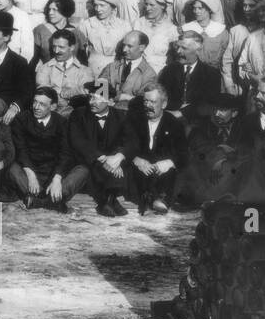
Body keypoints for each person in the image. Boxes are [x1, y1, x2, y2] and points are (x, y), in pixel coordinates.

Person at [63, 79, 137, 217]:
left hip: (113, 164)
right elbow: (78, 142)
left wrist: (118, 157)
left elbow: (131, 141)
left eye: (98, 98)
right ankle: (108, 200)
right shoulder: (78, 115)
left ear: (109, 101)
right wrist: (104, 158)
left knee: (125, 163)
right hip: (88, 162)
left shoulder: (121, 116)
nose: (92, 102)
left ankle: (108, 200)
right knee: (93, 167)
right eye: (91, 97)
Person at [9, 87, 73, 211]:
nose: (36, 107)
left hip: (52, 171)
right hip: (29, 170)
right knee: (11, 168)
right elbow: (20, 149)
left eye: (42, 104)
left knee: (82, 170)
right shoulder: (21, 119)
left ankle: (37, 200)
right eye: (35, 102)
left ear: (53, 107)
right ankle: (52, 201)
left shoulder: (62, 122)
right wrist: (31, 175)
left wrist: (57, 179)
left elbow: (65, 153)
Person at [129, 85, 188, 215]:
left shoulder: (175, 124)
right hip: (138, 172)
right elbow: (124, 144)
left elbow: (183, 154)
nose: (148, 105)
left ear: (164, 104)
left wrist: (169, 162)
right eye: (145, 101)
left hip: (162, 174)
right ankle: (148, 198)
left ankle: (159, 199)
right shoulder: (134, 121)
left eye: (153, 102)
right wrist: (135, 159)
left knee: (172, 173)